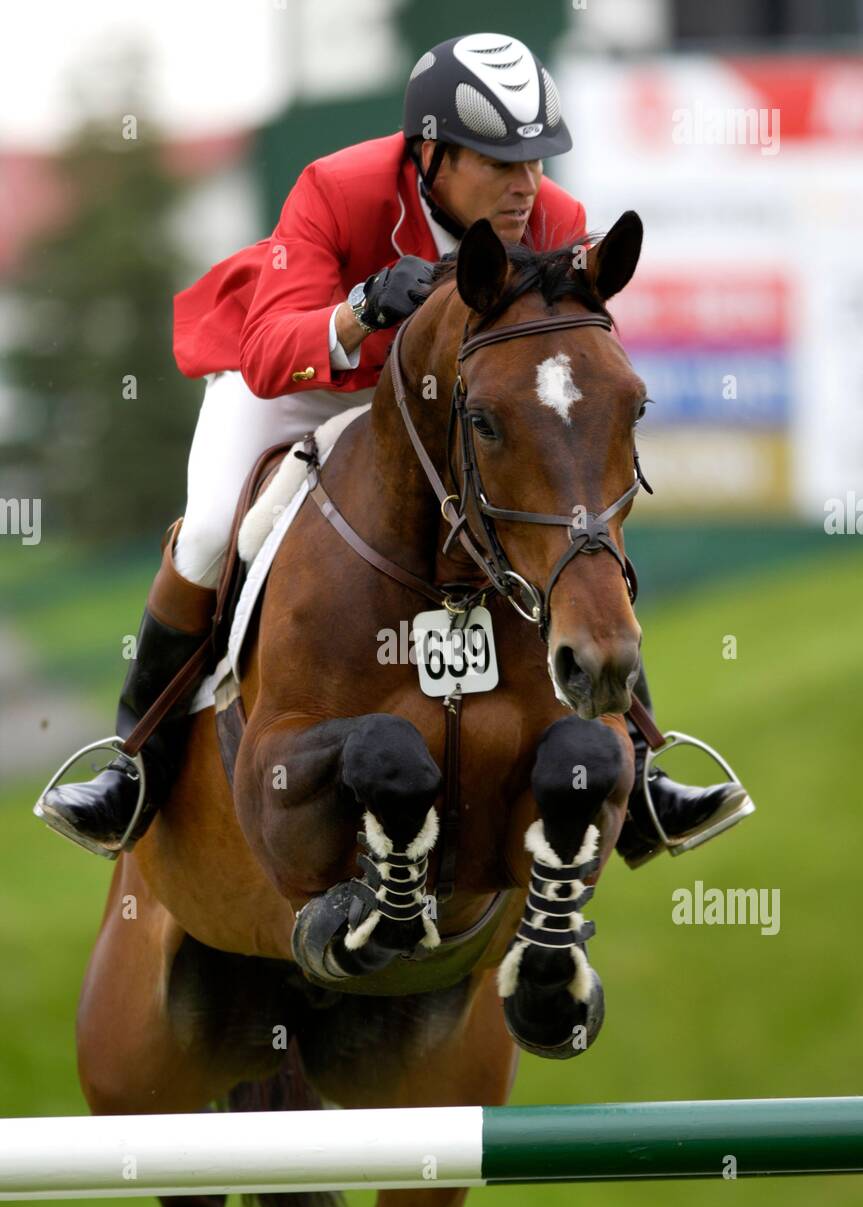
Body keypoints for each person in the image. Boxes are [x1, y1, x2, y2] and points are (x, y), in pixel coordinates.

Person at [35, 31, 750, 868]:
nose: (526, 188)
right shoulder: (336, 190)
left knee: (558, 519)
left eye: (536, 162)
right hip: (307, 385)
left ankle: (639, 762)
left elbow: (555, 362)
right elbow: (268, 350)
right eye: (499, 163)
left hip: (443, 408)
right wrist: (359, 309)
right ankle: (135, 767)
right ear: (432, 153)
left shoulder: (552, 217)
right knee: (207, 531)